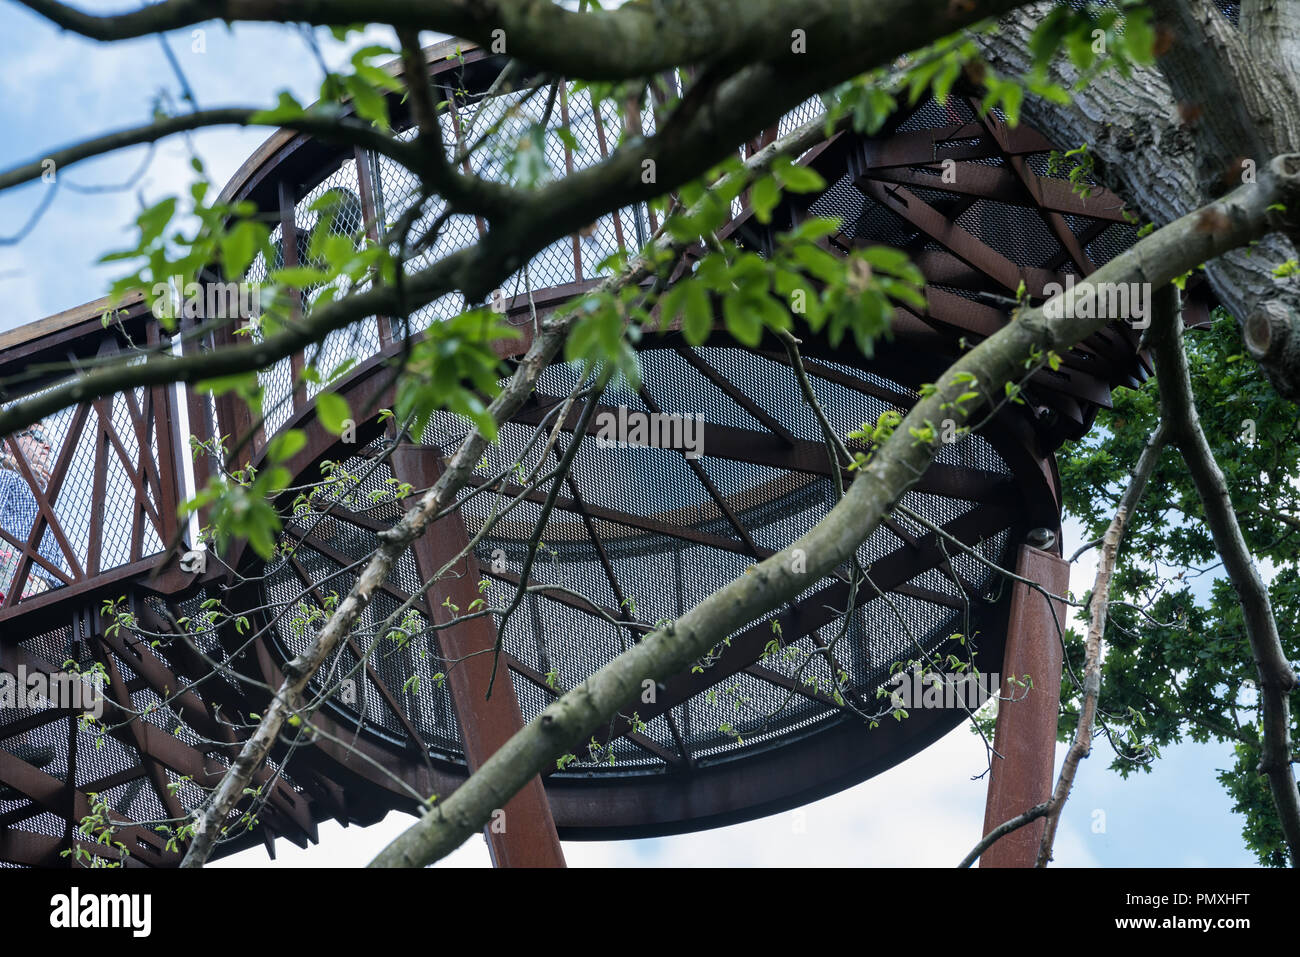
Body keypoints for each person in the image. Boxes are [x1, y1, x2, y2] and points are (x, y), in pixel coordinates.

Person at [0, 422, 65, 603]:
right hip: (17, 577)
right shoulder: (7, 476)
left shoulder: (43, 498)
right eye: (38, 438)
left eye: (49, 441)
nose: (47, 445)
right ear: (8, 444)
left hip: (42, 582)